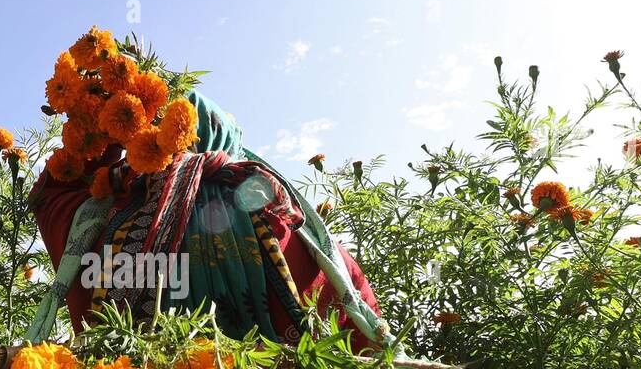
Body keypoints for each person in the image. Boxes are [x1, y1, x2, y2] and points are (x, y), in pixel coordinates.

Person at [26, 89, 386, 350]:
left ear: (149, 144)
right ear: (235, 148)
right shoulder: (299, 235)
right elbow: (369, 341)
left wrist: (107, 112)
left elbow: (50, 192)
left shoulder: (102, 226)